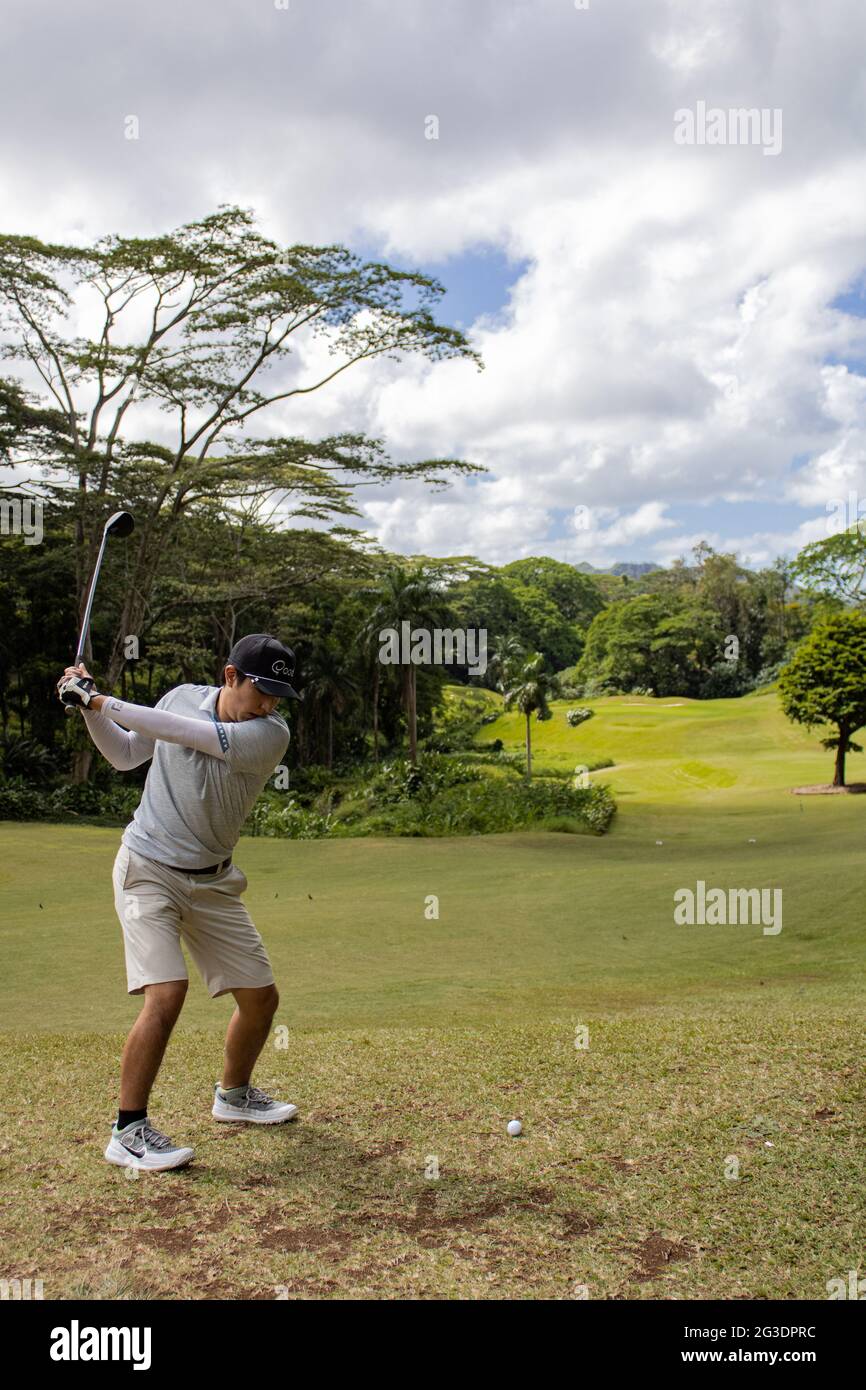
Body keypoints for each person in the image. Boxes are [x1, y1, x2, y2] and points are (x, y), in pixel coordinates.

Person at [57, 633, 301, 1172]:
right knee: (166, 993)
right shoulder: (176, 696)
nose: (269, 705)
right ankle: (128, 1130)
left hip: (213, 883)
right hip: (147, 868)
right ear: (230, 675)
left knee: (261, 999)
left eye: (279, 695)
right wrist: (88, 710)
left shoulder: (269, 735)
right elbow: (124, 753)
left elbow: (183, 733)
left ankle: (233, 1097)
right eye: (262, 691)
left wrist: (97, 699)